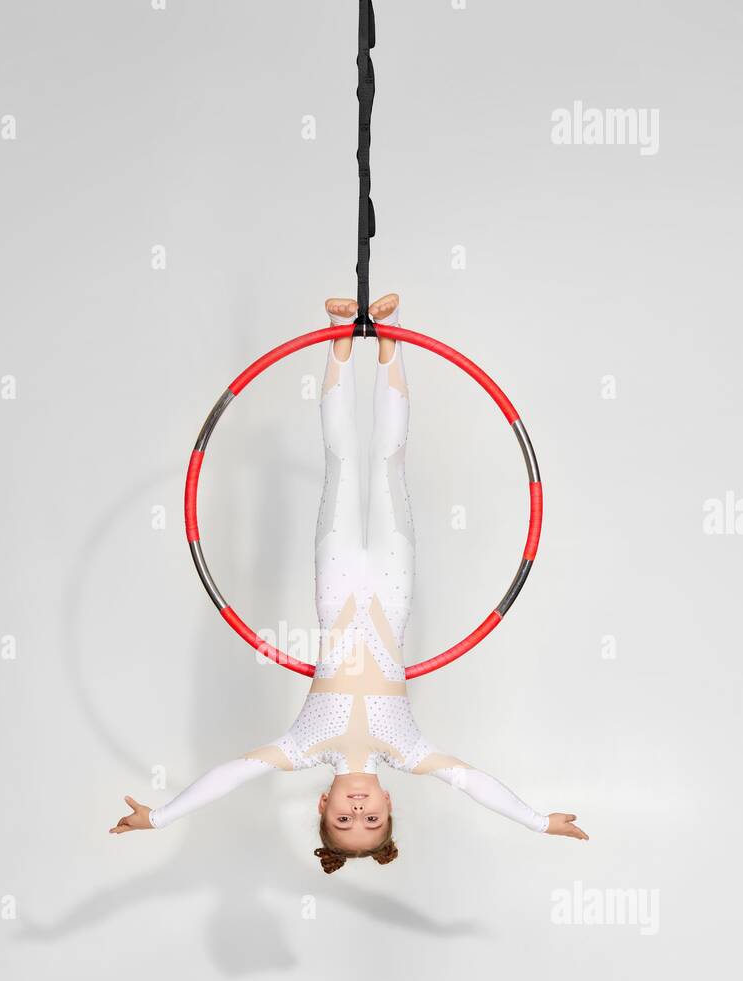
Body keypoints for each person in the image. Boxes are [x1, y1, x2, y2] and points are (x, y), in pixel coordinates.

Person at [111, 294, 588, 871]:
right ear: (390, 805)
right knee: (389, 463)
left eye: (343, 819)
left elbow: (231, 775)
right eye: (371, 819)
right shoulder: (407, 750)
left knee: (341, 463)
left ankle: (340, 332)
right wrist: (538, 821)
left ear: (323, 802)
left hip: (336, 579)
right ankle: (390, 335)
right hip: (393, 577)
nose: (357, 809)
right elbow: (473, 782)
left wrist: (160, 816)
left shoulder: (305, 745)